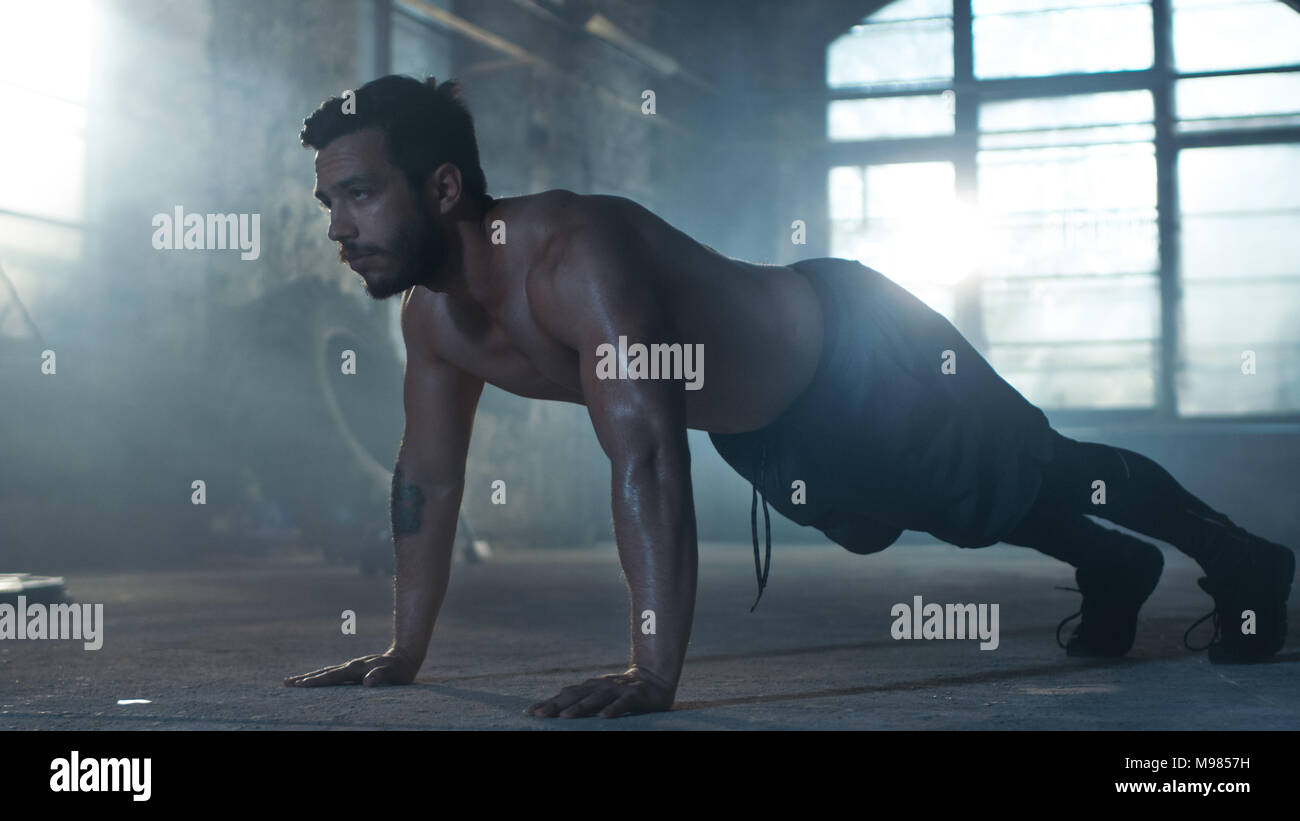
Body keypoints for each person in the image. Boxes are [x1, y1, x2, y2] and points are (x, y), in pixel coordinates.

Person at [282, 75, 1294, 718]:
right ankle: (1110, 559)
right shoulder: (433, 321)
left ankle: (1245, 559)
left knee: (1036, 465)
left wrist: (652, 668)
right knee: (944, 506)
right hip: (771, 426)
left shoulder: (573, 254)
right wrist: (404, 646)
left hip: (859, 345)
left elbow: (644, 453)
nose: (337, 224)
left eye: (359, 192)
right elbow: (426, 482)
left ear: (445, 187)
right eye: (329, 200)